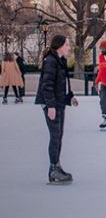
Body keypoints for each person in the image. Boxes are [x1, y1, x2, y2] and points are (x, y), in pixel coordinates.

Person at [34, 35, 79, 184]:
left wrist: (70, 96)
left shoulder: (61, 61)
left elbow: (63, 83)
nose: (69, 47)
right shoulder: (51, 62)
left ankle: (57, 166)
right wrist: (50, 106)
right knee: (55, 136)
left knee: (59, 136)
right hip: (51, 103)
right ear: (59, 46)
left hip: (59, 102)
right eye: (67, 45)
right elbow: (46, 85)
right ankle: (53, 170)